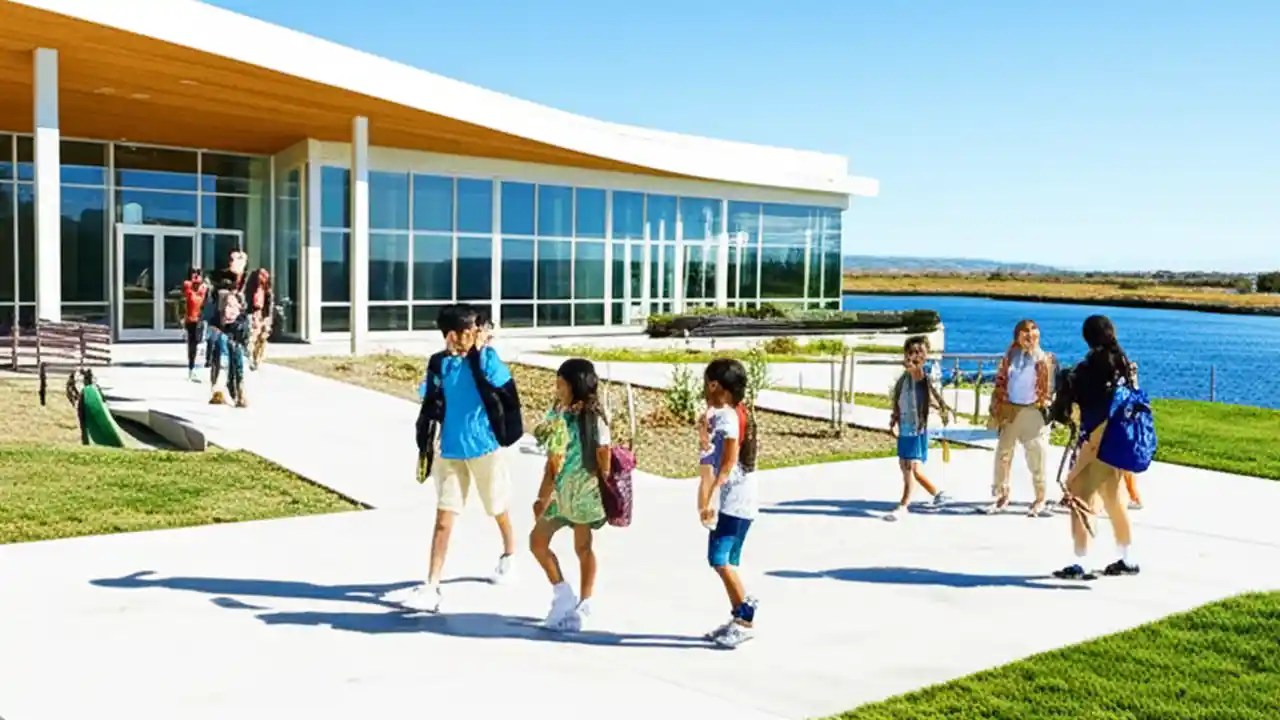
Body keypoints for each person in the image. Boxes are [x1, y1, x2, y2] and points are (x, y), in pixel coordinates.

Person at [386, 303, 518, 613]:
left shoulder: (486, 359)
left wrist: (481, 353)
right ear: (451, 335)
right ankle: (432, 585)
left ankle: (510, 556)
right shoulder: (439, 364)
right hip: (449, 451)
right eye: (468, 331)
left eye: (476, 330)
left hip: (484, 447)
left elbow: (504, 386)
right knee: (444, 518)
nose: (474, 334)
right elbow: (428, 395)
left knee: (496, 507)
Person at [1052, 315, 1141, 580]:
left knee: (1080, 499)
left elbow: (1088, 432)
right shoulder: (1122, 365)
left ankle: (1081, 562)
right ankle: (1127, 558)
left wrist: (1072, 473)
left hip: (1095, 442)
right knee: (1114, 501)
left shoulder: (1085, 372)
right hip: (1118, 443)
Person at [528, 358, 611, 632]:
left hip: (579, 493)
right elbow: (602, 456)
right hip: (571, 492)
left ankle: (580, 601)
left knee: (573, 546)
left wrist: (542, 497)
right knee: (542, 542)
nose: (557, 389)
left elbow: (557, 462)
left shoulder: (587, 417)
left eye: (561, 384)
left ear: (574, 385)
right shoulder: (561, 414)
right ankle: (566, 597)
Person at [697, 358, 760, 649]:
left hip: (733, 501)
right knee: (728, 560)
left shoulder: (727, 418)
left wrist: (709, 498)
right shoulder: (735, 412)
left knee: (720, 560)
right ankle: (738, 616)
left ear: (715, 385)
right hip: (743, 498)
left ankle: (745, 618)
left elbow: (726, 462)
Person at [986, 319, 1055, 516]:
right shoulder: (1011, 355)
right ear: (1017, 335)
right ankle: (1002, 494)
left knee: (1036, 456)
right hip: (1011, 410)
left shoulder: (1043, 358)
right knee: (1003, 455)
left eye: (1033, 332)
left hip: (1033, 411)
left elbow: (1049, 387)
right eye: (1025, 332)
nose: (1029, 336)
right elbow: (1001, 380)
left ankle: (1040, 497)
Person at [886, 336, 952, 521]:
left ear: (925, 356)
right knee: (906, 467)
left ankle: (904, 503)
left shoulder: (921, 376)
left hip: (917, 429)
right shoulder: (902, 380)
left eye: (919, 352)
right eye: (910, 352)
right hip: (904, 428)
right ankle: (937, 493)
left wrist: (940, 409)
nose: (914, 356)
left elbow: (924, 388)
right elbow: (897, 401)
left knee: (912, 467)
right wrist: (894, 418)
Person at [181, 267, 208, 383]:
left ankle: (198, 368)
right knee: (192, 345)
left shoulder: (204, 289)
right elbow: (185, 295)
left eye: (198, 274)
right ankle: (191, 368)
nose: (196, 277)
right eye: (194, 274)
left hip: (200, 320)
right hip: (190, 320)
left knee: (200, 344)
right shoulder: (188, 288)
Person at [244, 268, 273, 371]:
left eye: (266, 275)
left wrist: (268, 318)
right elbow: (247, 303)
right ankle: (251, 358)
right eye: (262, 275)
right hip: (254, 313)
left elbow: (269, 305)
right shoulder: (251, 289)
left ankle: (258, 358)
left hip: (264, 315)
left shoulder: (267, 290)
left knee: (263, 338)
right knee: (253, 336)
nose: (264, 277)